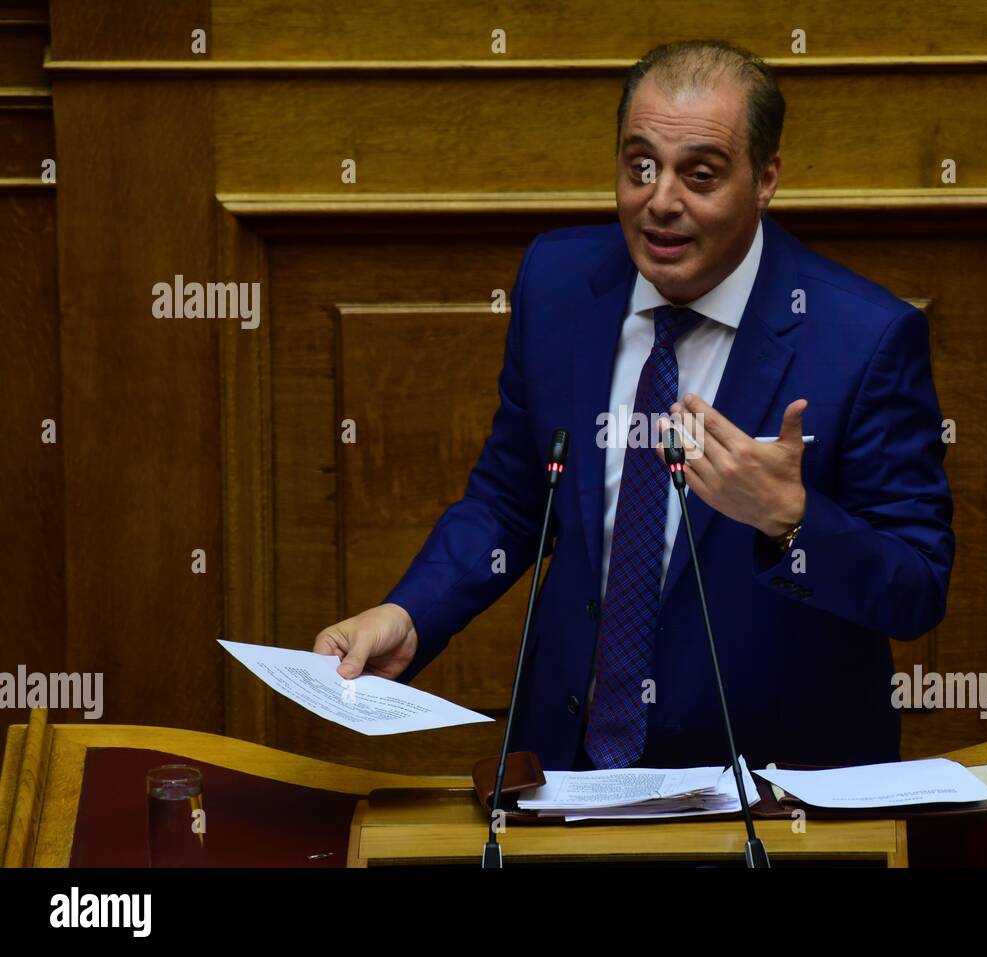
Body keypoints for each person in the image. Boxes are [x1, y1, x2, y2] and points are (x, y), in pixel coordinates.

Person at [314, 39, 954, 771]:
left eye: (700, 175)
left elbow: (917, 589)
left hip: (767, 798)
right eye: (639, 165)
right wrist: (408, 615)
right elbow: (513, 501)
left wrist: (793, 522)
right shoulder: (557, 283)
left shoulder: (863, 338)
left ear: (766, 178)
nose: (661, 200)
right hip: (568, 776)